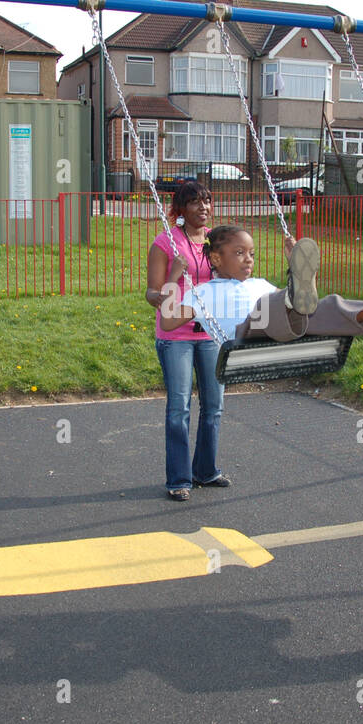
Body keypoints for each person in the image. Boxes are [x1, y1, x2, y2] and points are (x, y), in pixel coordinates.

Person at [159, 225, 363, 342]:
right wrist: (173, 277)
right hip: (245, 336)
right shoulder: (203, 293)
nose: (248, 260)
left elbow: (305, 304)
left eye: (251, 254)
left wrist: (294, 264)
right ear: (216, 258)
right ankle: (293, 289)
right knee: (270, 306)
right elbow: (168, 322)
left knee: (322, 307)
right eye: (239, 253)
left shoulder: (259, 283)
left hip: (287, 328)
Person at [145, 180, 223, 502]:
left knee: (214, 407)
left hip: (210, 333)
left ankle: (205, 470)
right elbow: (152, 295)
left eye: (206, 201)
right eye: (195, 202)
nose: (203, 208)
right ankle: (179, 478)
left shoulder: (215, 241)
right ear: (181, 208)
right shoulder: (166, 243)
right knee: (180, 408)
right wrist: (174, 276)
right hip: (175, 336)